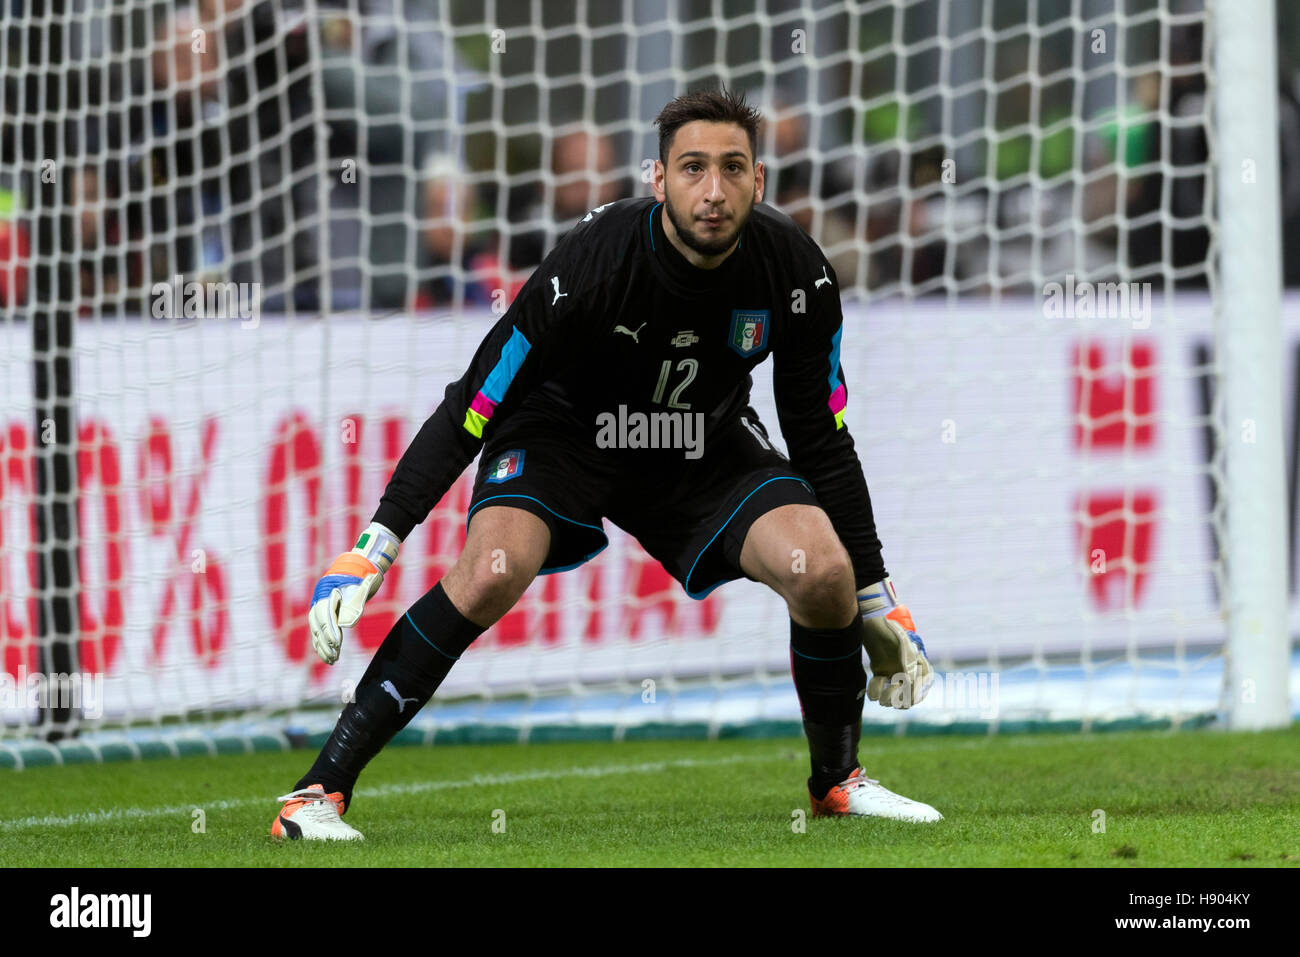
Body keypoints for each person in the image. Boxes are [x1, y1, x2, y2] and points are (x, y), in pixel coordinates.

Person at [271, 89, 941, 841]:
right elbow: (474, 403)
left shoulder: (796, 272)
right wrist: (375, 545)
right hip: (561, 432)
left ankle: (837, 783)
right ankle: (316, 792)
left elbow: (821, 437)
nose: (712, 190)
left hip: (698, 442)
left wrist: (877, 595)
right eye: (693, 168)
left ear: (760, 180)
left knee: (822, 572)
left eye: (731, 168)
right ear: (659, 179)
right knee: (493, 567)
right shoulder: (591, 263)